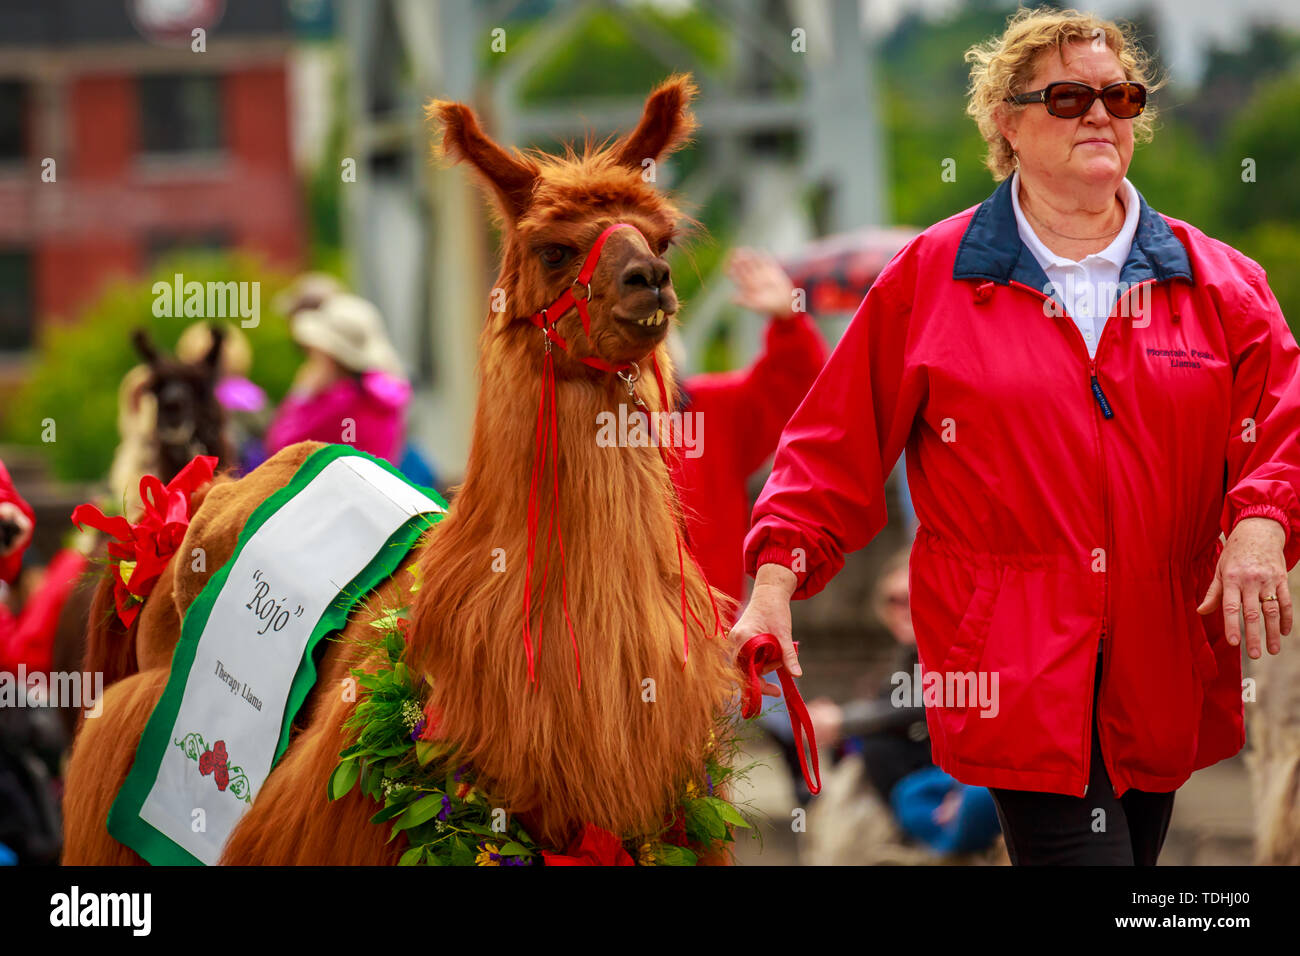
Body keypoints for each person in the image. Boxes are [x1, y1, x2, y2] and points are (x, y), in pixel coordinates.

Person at [730, 7, 1300, 866]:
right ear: (1006, 120)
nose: (1102, 114)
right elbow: (832, 445)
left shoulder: (1221, 283)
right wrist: (775, 579)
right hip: (1010, 666)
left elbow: (1283, 420)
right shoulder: (932, 276)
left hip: (1166, 659)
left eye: (1122, 95)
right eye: (1069, 97)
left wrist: (1260, 521)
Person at [811, 543, 1001, 856]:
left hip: (970, 776)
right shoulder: (904, 657)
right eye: (893, 601)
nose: (904, 610)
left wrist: (844, 721)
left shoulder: (967, 641)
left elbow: (931, 701)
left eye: (912, 599)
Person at [669, 248, 827, 610]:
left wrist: (789, 321)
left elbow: (796, 388)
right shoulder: (571, 418)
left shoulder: (708, 408)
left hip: (709, 630)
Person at [265, 293, 411, 465]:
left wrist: (301, 395)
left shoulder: (340, 402)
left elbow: (281, 448)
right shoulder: (382, 392)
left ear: (330, 356)